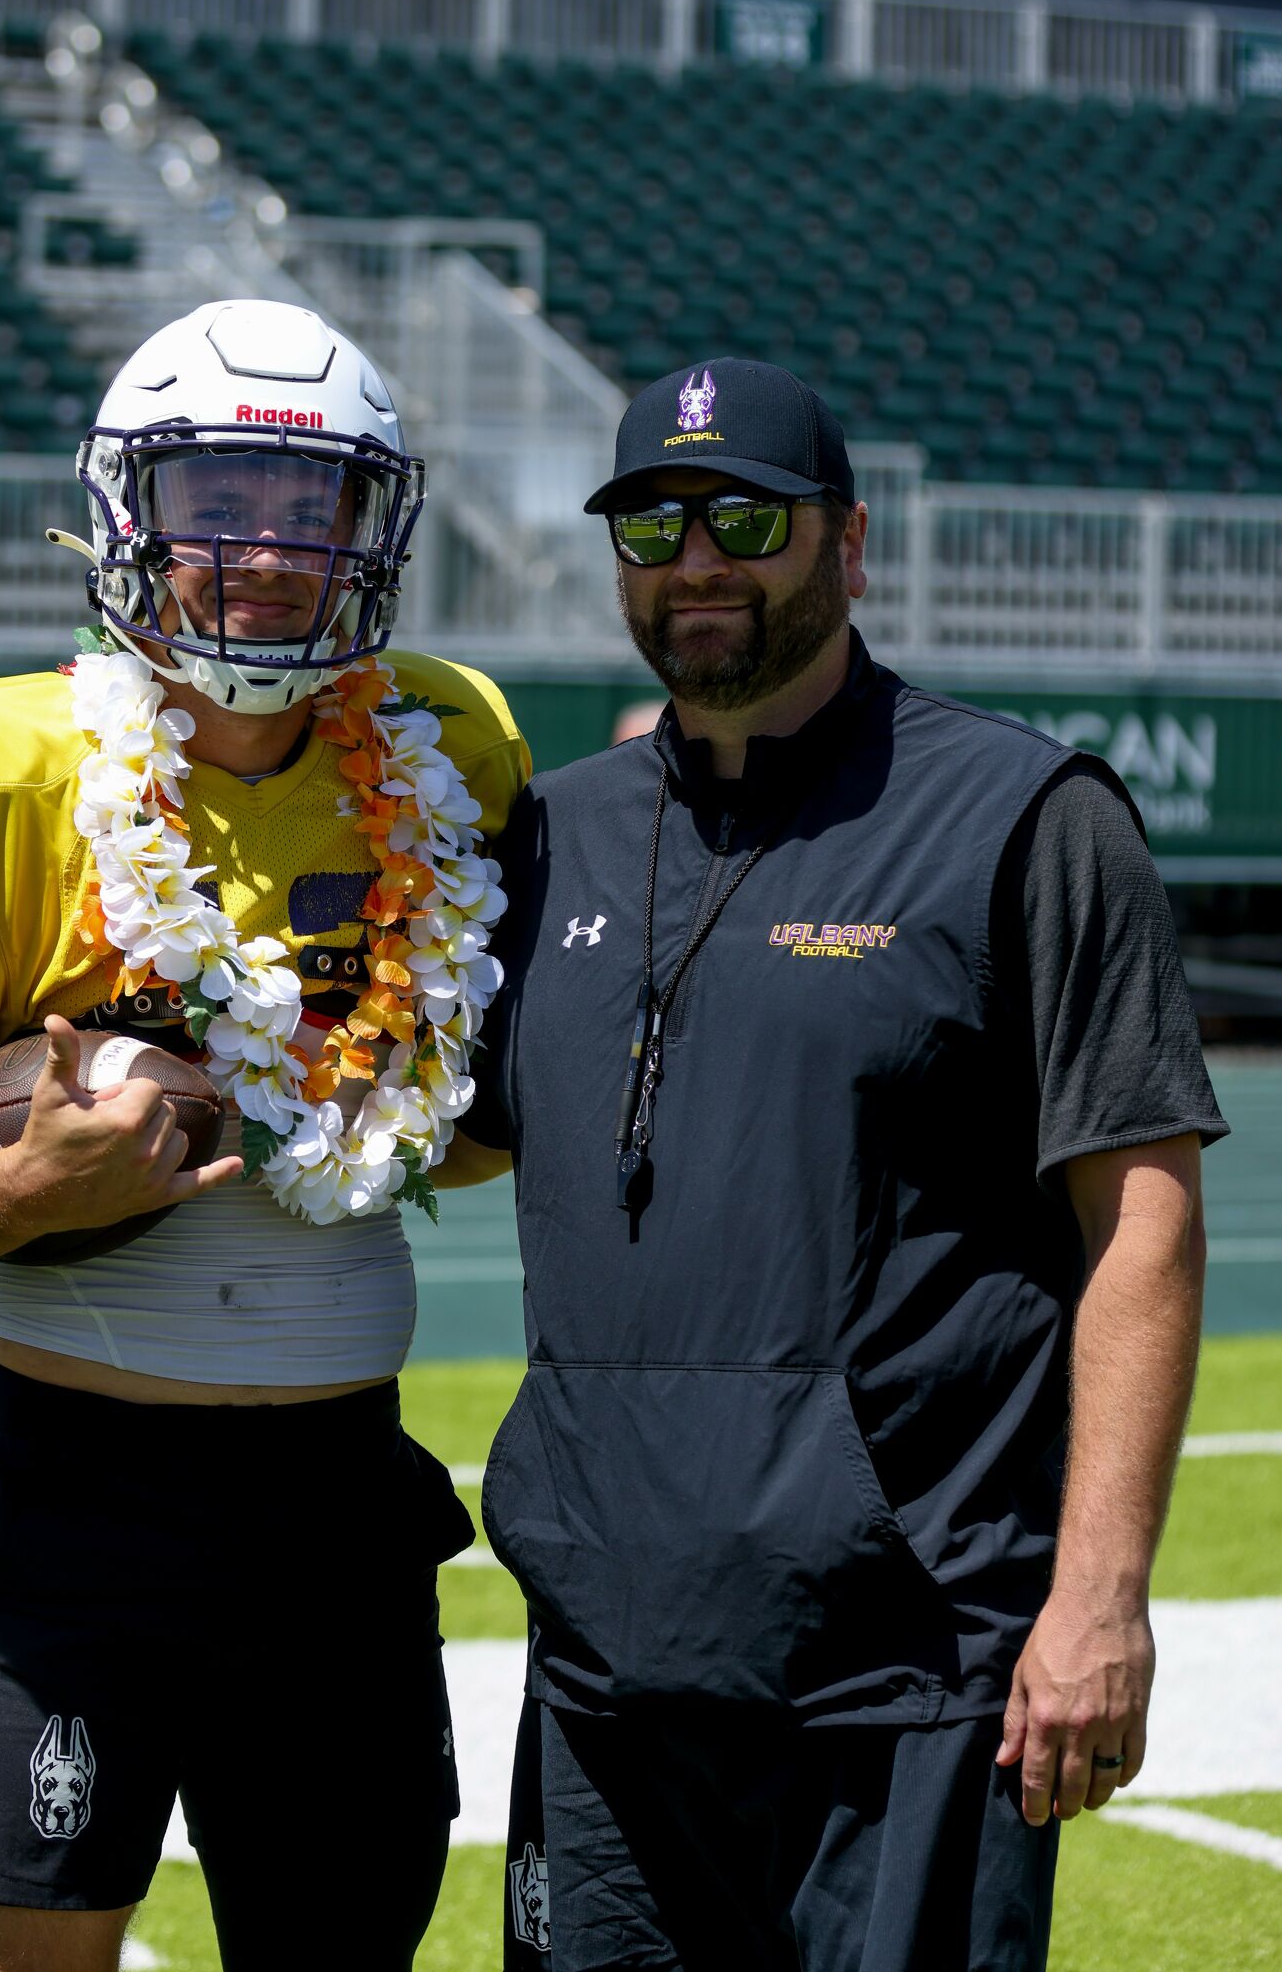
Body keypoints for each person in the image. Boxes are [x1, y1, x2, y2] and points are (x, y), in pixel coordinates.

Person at [0, 298, 527, 1972]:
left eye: (308, 501)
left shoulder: (447, 747)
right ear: (124, 514)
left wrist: (422, 1108)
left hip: (343, 1498)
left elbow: (457, 1140)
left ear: (372, 526)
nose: (266, 548)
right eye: (213, 497)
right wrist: (25, 1184)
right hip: (72, 1500)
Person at [464, 356, 1225, 1972]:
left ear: (850, 543)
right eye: (650, 527)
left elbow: (1142, 1224)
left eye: (744, 520)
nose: (695, 563)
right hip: (604, 1670)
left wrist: (1100, 1596)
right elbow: (430, 1130)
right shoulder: (547, 837)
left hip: (909, 1675)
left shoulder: (1025, 815)